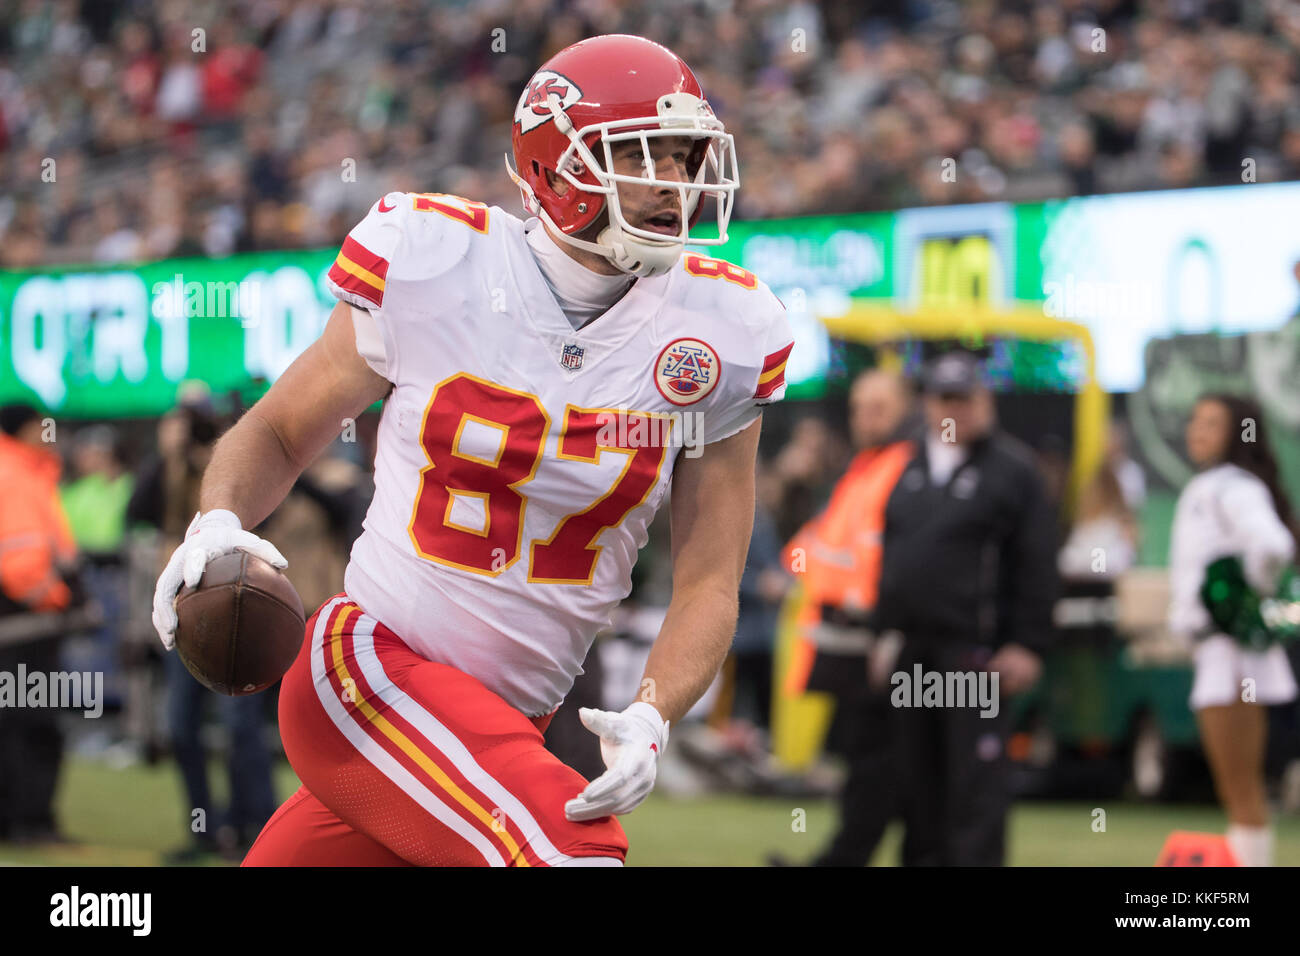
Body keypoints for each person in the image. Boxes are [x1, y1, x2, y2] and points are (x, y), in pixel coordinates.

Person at [152, 35, 794, 867]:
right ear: (557, 170)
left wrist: (652, 714)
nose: (678, 185)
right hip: (369, 672)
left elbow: (709, 581)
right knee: (573, 849)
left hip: (497, 723)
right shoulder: (437, 263)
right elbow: (278, 429)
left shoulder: (722, 332)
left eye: (687, 157)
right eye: (646, 158)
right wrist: (215, 523)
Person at [873, 351, 1058, 866]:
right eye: (944, 398)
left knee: (975, 783)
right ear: (928, 403)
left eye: (965, 398)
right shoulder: (906, 466)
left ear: (985, 400)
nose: (955, 410)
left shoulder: (1014, 472)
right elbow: (891, 555)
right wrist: (884, 632)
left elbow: (1037, 563)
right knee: (915, 778)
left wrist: (1028, 642)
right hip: (913, 649)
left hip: (974, 652)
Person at [782, 368, 917, 867]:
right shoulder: (865, 468)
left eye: (878, 407)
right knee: (867, 767)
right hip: (848, 641)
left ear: (906, 408)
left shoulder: (903, 468)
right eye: (859, 407)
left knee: (882, 770)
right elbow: (818, 542)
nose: (864, 417)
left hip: (882, 642)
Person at [1169, 393, 1297, 867]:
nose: (1198, 431)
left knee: (1241, 788)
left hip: (1233, 654)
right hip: (1218, 652)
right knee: (1237, 788)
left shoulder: (1233, 487)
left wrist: (1246, 600)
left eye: (1212, 423)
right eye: (1195, 421)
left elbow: (1273, 544)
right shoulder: (1208, 486)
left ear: (1240, 431)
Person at [0, 403, 80, 843]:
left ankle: (17, 819)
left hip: (20, 627)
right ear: (25, 429)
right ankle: (30, 821)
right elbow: (22, 562)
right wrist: (63, 599)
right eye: (42, 426)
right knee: (33, 724)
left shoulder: (26, 472)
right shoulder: (16, 476)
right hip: (25, 628)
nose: (49, 434)